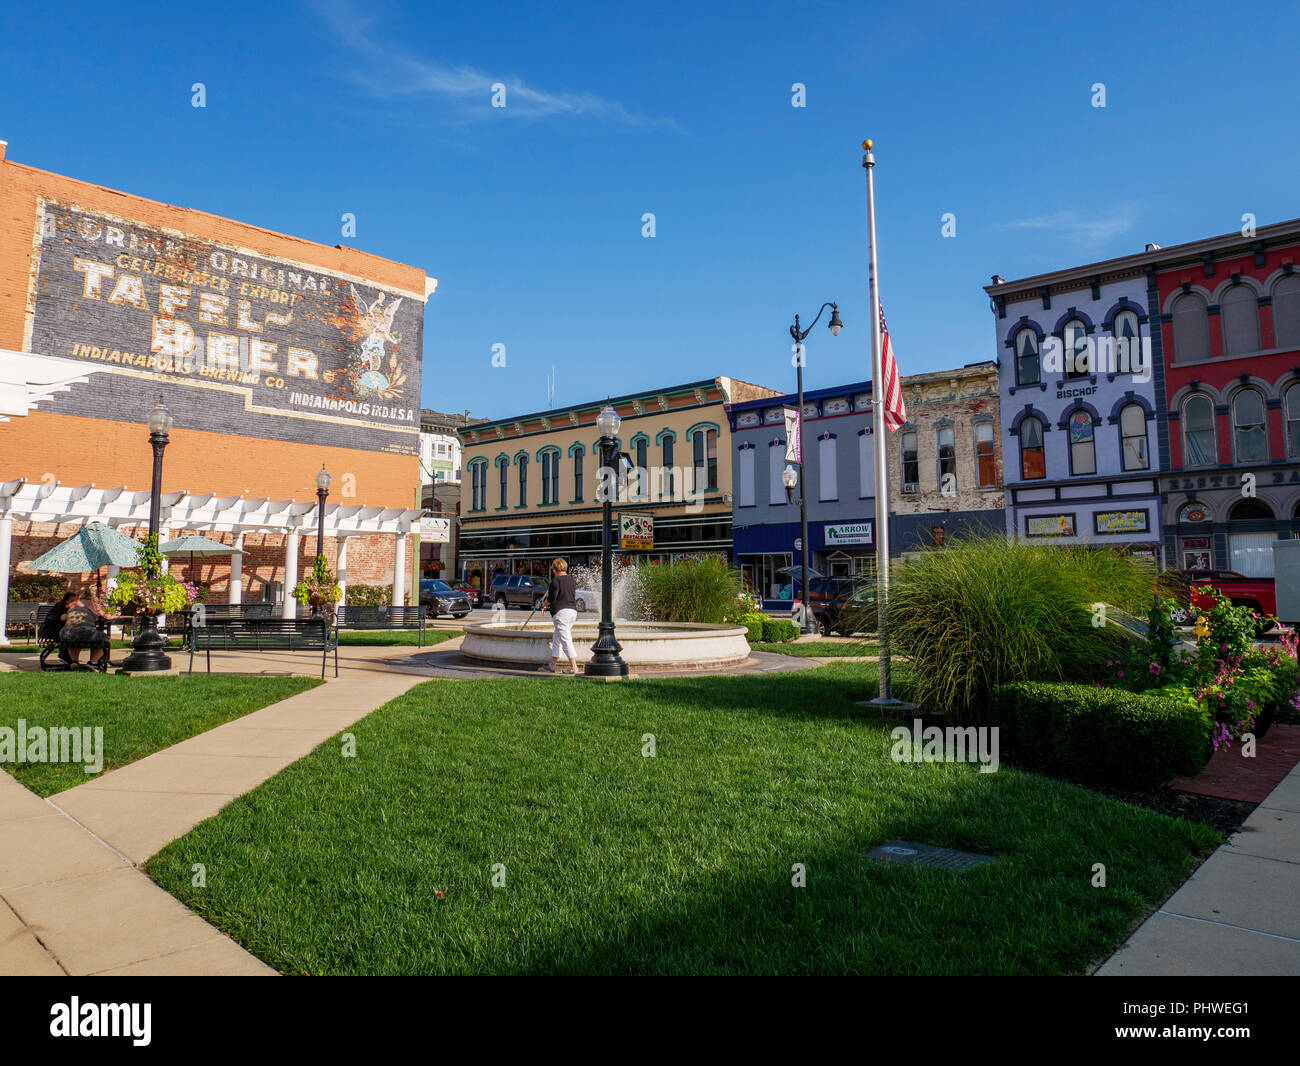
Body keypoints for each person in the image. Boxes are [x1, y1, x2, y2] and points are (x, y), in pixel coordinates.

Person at [541, 557, 579, 675]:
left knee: (566, 639)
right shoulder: (572, 580)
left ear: (555, 569)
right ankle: (552, 665)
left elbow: (552, 598)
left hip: (561, 613)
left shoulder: (556, 580)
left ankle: (574, 667)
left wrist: (544, 604)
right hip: (572, 612)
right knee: (557, 637)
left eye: (553, 569)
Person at [60, 590, 111, 670]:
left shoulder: (74, 604)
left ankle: (74, 661)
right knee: (105, 639)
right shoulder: (94, 605)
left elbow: (65, 616)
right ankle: (92, 662)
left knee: (74, 640)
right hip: (86, 633)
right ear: (93, 597)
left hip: (66, 634)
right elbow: (107, 617)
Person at [39, 592, 78, 667]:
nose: (75, 603)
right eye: (73, 601)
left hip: (60, 630)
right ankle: (65, 656)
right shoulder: (60, 607)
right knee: (67, 636)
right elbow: (60, 618)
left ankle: (72, 659)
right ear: (66, 601)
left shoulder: (70, 608)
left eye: (76, 601)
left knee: (73, 635)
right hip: (50, 631)